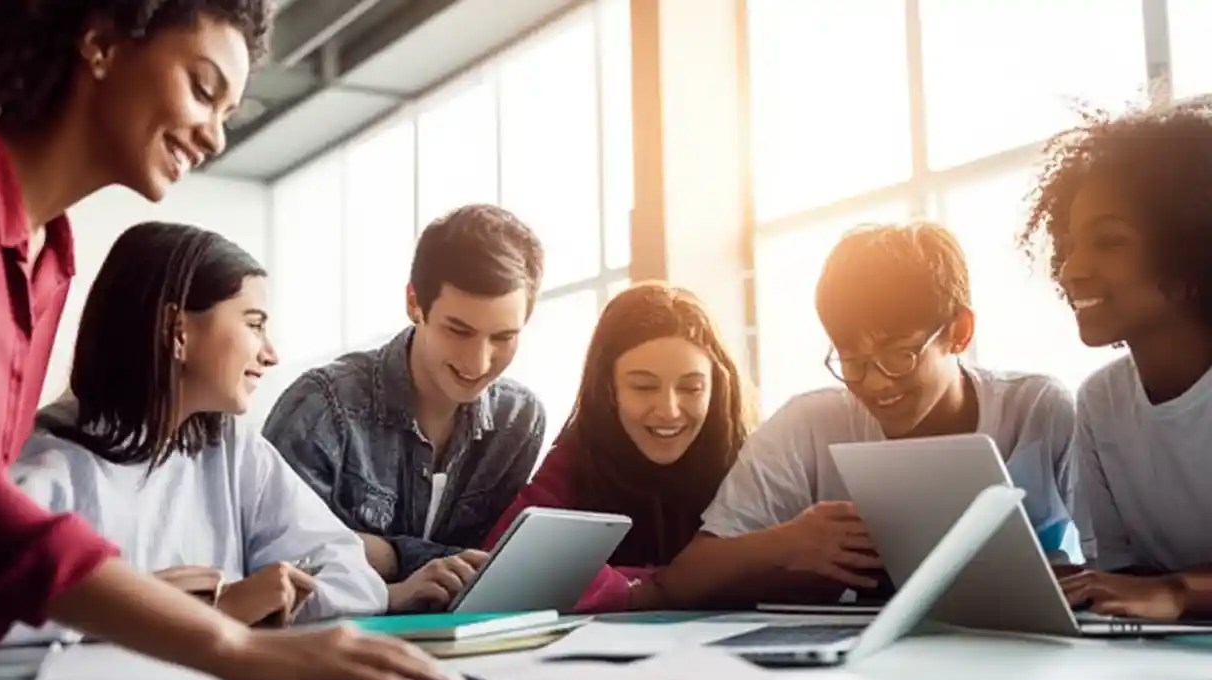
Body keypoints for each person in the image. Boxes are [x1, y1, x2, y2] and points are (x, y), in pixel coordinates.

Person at [0, 0, 453, 680]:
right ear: (100, 43)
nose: (213, 138)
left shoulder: (49, 259)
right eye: (204, 90)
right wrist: (227, 644)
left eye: (228, 113)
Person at [658, 222, 1079, 609]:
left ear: (958, 332)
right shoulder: (806, 426)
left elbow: (1115, 566)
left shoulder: (1037, 409)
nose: (876, 384)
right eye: (852, 359)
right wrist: (784, 543)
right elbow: (682, 580)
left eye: (900, 356)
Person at [10, 222, 404, 628]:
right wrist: (193, 611)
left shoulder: (234, 450)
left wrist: (265, 601)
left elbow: (357, 581)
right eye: (254, 324)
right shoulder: (51, 469)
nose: (271, 354)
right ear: (176, 329)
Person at [265, 204, 547, 612]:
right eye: (459, 330)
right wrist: (407, 562)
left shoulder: (518, 420)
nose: (478, 363)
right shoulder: (322, 407)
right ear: (415, 302)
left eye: (503, 337)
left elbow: (487, 563)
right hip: (332, 647)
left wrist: (377, 552)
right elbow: (277, 558)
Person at [1020, 104, 1212, 621]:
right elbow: (1125, 576)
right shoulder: (1101, 401)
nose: (1071, 268)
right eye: (1071, 244)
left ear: (1191, 250)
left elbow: (1158, 591)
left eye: (1109, 242)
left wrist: (1179, 593)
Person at [482, 283, 752, 612]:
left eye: (691, 388)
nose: (669, 409)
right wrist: (663, 585)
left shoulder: (747, 459)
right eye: (643, 386)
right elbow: (505, 569)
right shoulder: (579, 458)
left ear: (716, 387)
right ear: (610, 389)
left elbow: (772, 569)